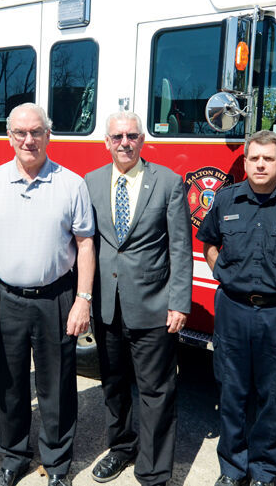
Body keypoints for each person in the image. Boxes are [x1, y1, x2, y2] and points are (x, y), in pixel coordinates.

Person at [0, 103, 95, 486]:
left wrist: (83, 299)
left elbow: (86, 245)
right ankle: (13, 457)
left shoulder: (71, 183)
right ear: (9, 137)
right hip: (5, 298)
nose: (29, 140)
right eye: (21, 133)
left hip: (56, 298)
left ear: (48, 134)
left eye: (37, 131)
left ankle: (57, 465)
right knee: (9, 382)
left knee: (56, 385)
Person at [197, 130, 276, 486]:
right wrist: (222, 272)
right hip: (232, 310)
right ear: (245, 162)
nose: (260, 164)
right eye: (254, 158)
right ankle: (232, 469)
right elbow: (208, 242)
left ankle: (263, 470)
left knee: (273, 396)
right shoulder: (226, 199)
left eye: (268, 158)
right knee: (231, 393)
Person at [83, 111, 192, 486]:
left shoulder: (168, 182)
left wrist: (179, 303)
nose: (124, 142)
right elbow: (87, 246)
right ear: (107, 142)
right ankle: (121, 447)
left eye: (132, 136)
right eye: (117, 136)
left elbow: (180, 247)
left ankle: (154, 471)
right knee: (113, 386)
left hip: (154, 306)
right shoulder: (92, 182)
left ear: (142, 140)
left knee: (156, 391)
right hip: (107, 306)